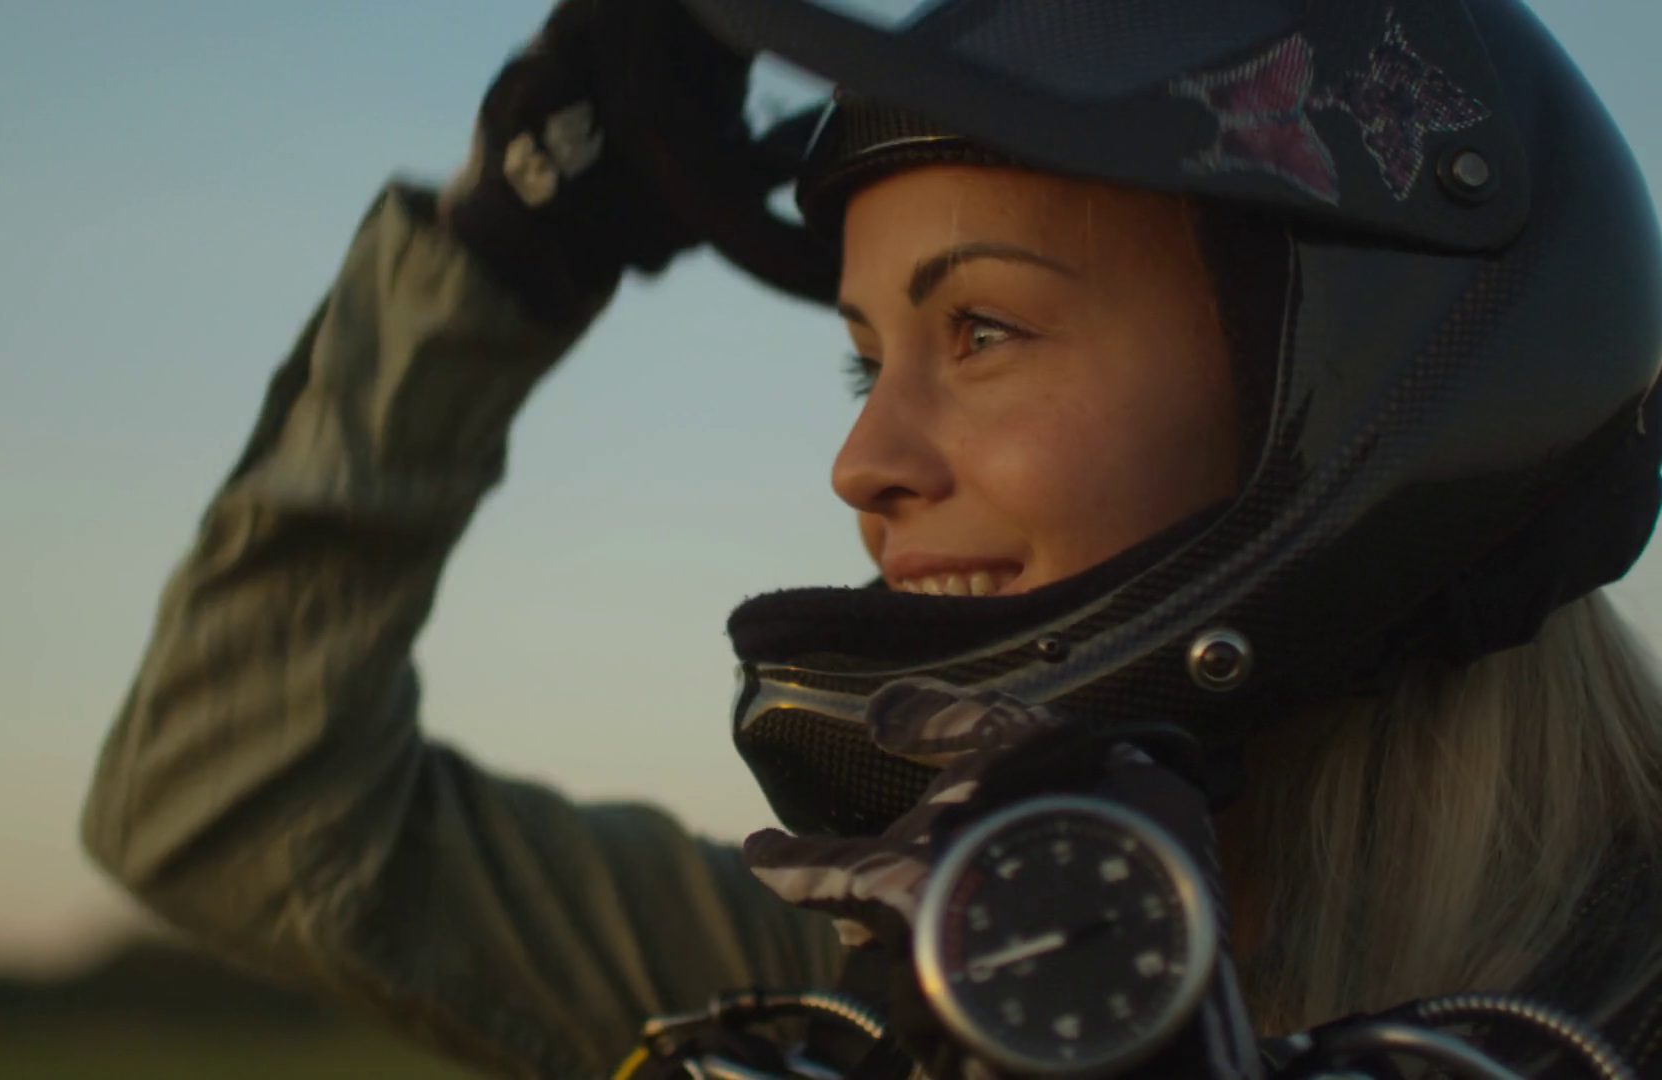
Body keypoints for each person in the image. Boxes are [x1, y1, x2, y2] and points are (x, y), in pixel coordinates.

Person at [80, 0, 1662, 1077]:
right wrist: (504, 262)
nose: (861, 461)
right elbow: (229, 801)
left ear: (1358, 382)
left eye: (980, 329)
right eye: (863, 358)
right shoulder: (871, 967)